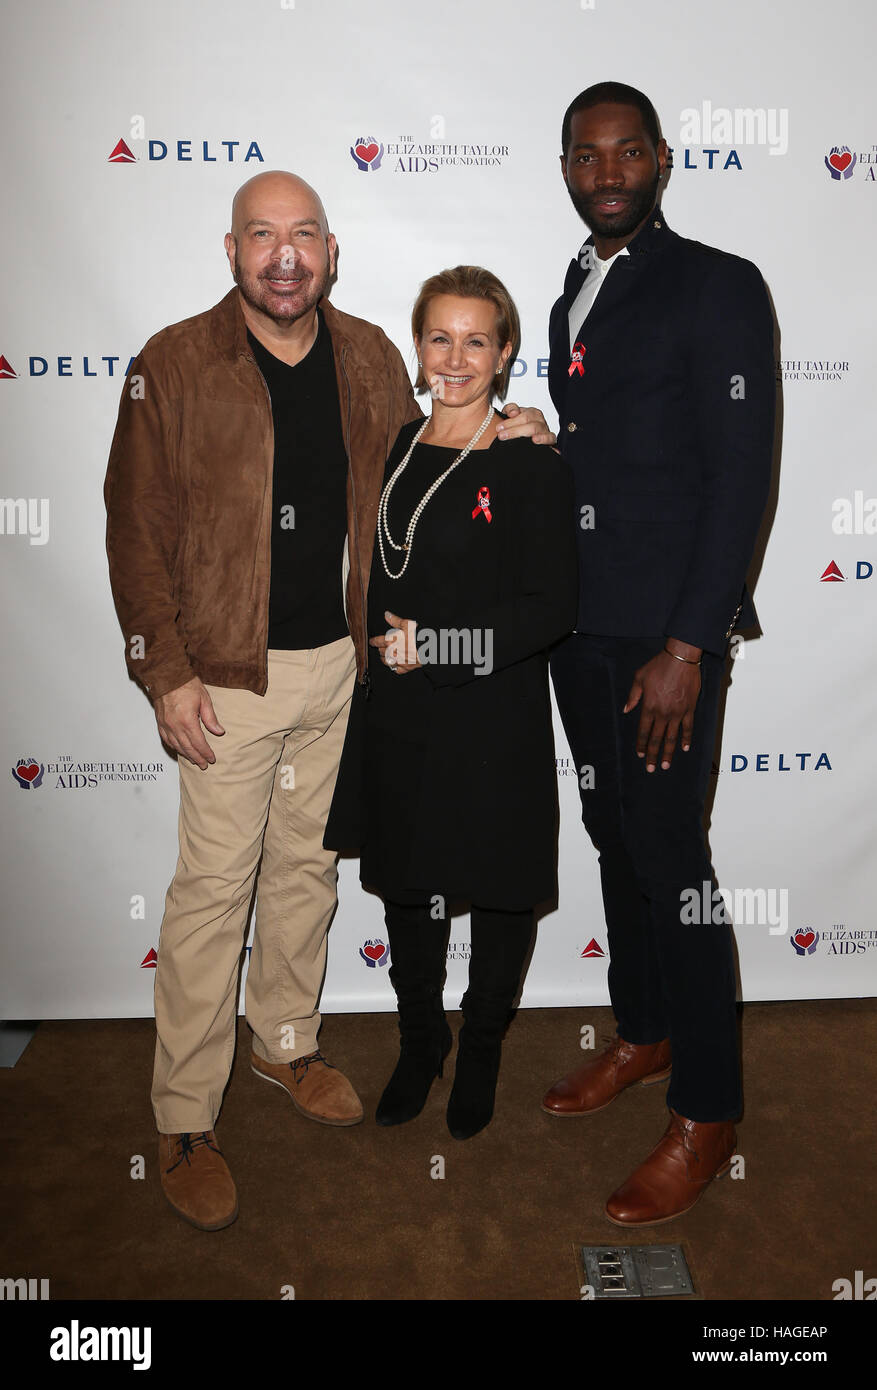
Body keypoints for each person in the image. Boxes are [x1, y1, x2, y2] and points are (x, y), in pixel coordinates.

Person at [103, 171, 554, 1230]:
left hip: (342, 671)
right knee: (215, 888)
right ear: (231, 251)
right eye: (262, 235)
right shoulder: (172, 363)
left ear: (333, 250)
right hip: (223, 675)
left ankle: (287, 1044)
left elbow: (435, 464)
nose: (284, 254)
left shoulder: (365, 358)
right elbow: (134, 527)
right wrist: (162, 671)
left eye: (303, 234)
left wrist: (522, 426)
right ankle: (180, 1115)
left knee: (308, 868)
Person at [542, 84, 775, 1224]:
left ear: (663, 159)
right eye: (586, 155)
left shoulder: (717, 284)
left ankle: (708, 1106)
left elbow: (741, 477)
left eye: (626, 149)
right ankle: (640, 1031)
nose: (608, 169)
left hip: (663, 637)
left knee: (670, 857)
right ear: (566, 169)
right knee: (608, 833)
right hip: (576, 629)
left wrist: (690, 641)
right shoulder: (572, 290)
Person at [325, 266, 577, 1141]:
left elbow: (551, 609)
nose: (457, 357)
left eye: (477, 339)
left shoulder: (527, 460)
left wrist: (440, 647)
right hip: (399, 715)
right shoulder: (398, 445)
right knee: (410, 890)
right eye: (440, 337)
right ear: (417, 346)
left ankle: (481, 1048)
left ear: (505, 352)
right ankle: (420, 1039)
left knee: (501, 895)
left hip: (491, 718)